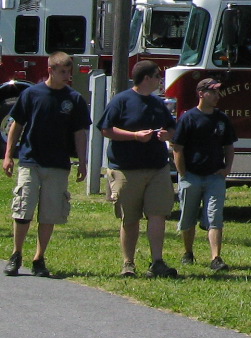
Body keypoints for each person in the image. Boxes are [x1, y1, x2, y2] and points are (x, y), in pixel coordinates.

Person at [3, 52, 90, 277]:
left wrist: (83, 161)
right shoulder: (32, 94)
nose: (67, 76)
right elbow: (16, 125)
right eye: (63, 71)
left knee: (49, 214)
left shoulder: (74, 99)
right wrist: (8, 155)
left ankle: (39, 258)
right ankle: (16, 254)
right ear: (50, 70)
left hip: (58, 164)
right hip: (31, 160)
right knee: (23, 208)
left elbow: (80, 132)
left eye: (69, 71)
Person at [99, 59, 178, 278]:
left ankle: (157, 262)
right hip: (126, 168)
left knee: (157, 215)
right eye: (157, 76)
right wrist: (134, 136)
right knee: (130, 218)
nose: (159, 80)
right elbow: (105, 129)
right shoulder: (121, 100)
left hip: (157, 169)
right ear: (146, 78)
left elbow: (171, 127)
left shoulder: (157, 103)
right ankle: (128, 264)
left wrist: (166, 135)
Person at [172, 78, 237, 271]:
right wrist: (183, 173)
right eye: (213, 92)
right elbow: (177, 148)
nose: (218, 96)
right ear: (201, 93)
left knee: (215, 217)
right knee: (188, 217)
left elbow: (229, 146)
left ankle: (216, 258)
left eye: (218, 92)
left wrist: (227, 169)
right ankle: (188, 252)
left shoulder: (222, 119)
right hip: (191, 175)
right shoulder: (189, 118)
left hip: (215, 177)